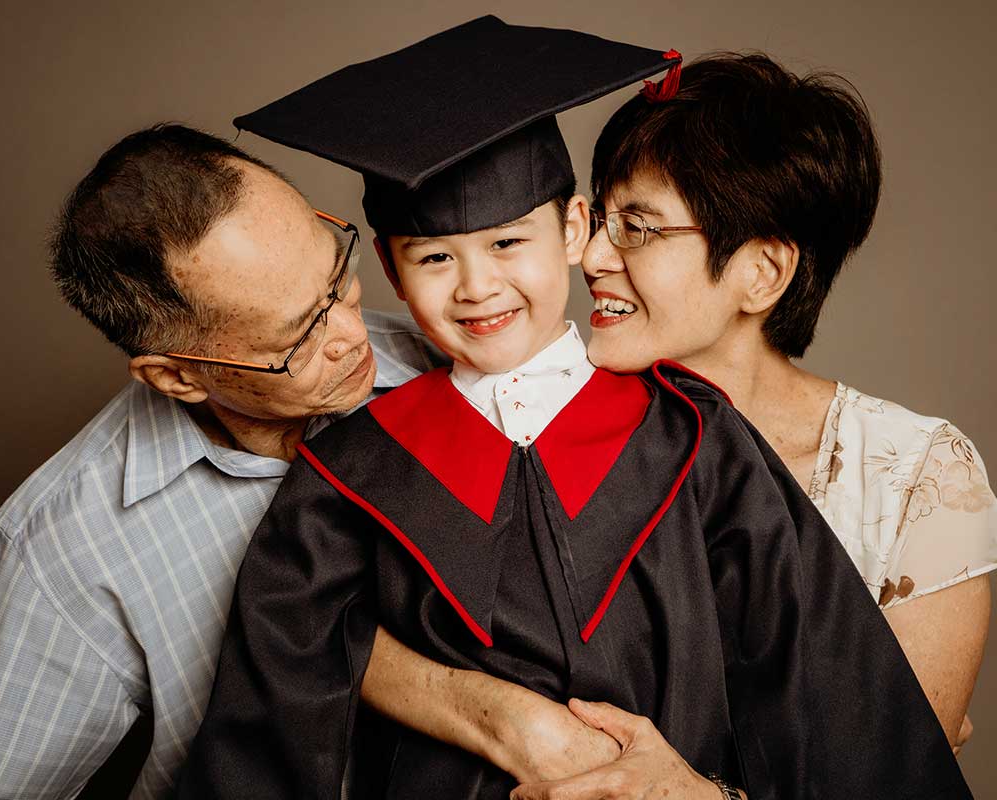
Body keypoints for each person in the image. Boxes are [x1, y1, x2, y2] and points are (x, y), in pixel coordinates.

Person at [177, 18, 970, 800]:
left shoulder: (692, 437)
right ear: (389, 263)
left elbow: (815, 679)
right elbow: (270, 715)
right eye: (434, 258)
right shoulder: (350, 471)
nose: (477, 286)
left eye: (507, 244)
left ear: (567, 226)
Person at [508, 51, 997, 800]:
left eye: (637, 226)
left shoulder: (915, 476)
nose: (593, 256)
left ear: (763, 271)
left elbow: (896, 781)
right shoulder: (529, 421)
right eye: (598, 217)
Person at [0, 122, 530, 799]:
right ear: (177, 377)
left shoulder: (448, 361)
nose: (350, 333)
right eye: (297, 336)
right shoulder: (64, 556)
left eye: (335, 277)